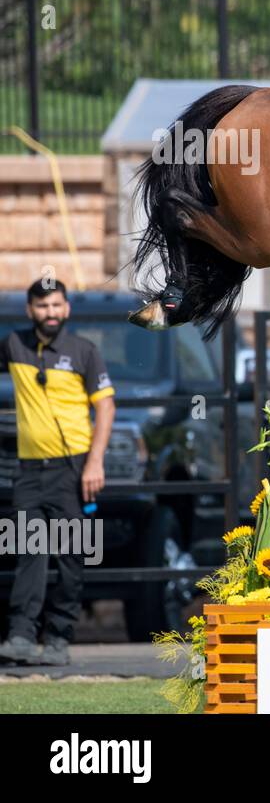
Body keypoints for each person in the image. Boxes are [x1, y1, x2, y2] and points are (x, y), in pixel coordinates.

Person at [0, 280, 114, 666]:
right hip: (30, 472)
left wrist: (95, 462)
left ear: (66, 309)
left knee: (71, 555)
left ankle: (59, 638)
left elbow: (107, 407)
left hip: (74, 470)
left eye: (55, 305)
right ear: (30, 310)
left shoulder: (85, 351)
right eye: (42, 306)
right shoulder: (13, 345)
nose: (50, 312)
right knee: (29, 553)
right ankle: (19, 635)